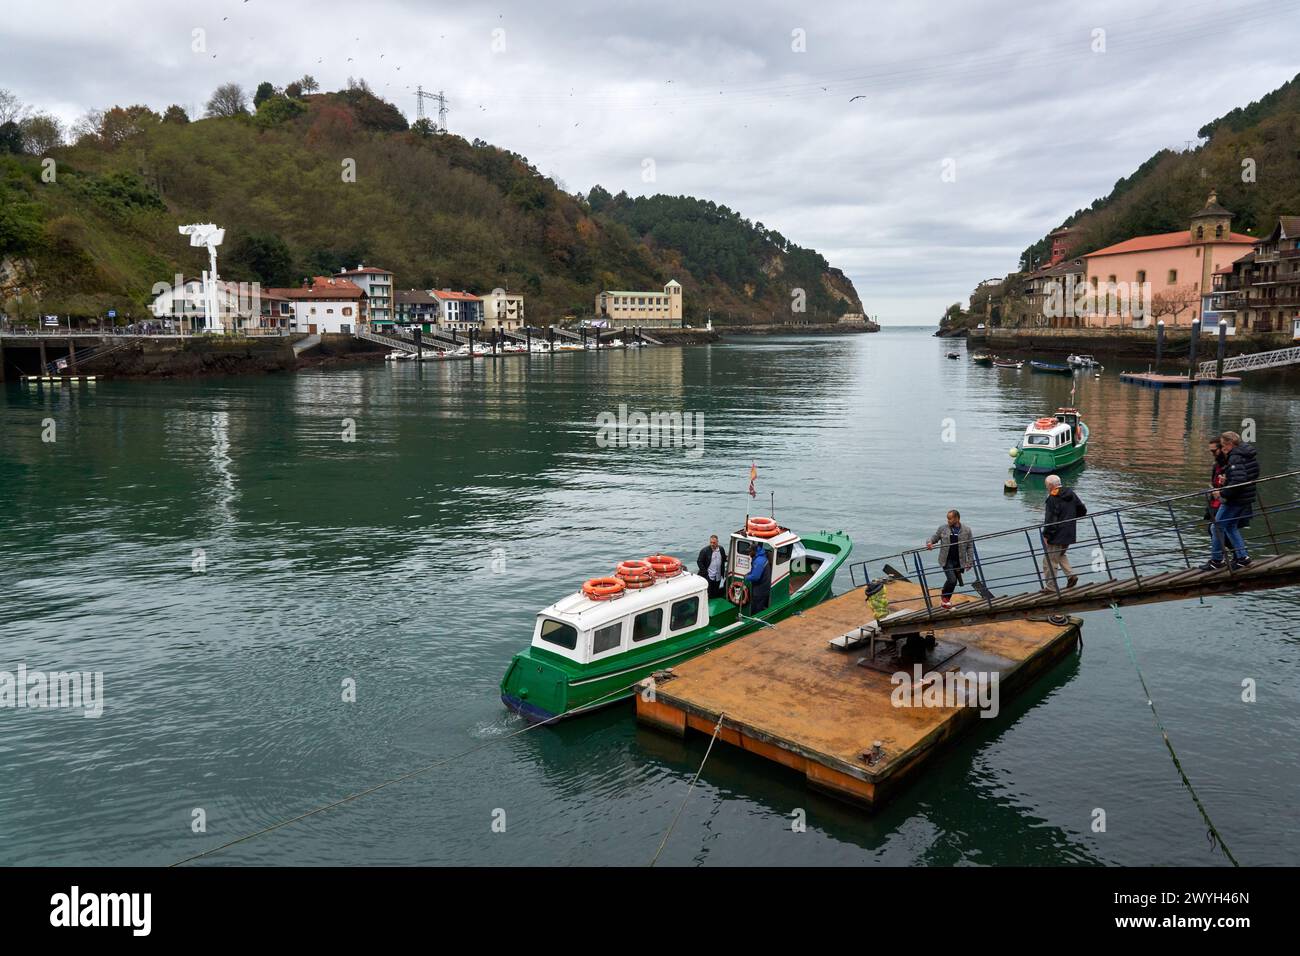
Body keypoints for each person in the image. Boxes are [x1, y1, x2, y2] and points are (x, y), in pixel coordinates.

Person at [1203, 430, 1258, 570]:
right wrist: (1228, 478)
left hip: (1235, 499)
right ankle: (1242, 557)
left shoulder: (1235, 457)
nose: (1223, 449)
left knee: (1216, 527)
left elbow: (1239, 480)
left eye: (1223, 445)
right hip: (1245, 496)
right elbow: (1252, 473)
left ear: (1229, 444)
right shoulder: (1246, 453)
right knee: (1230, 526)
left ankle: (1216, 560)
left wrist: (1222, 493)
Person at [1041, 475, 1086, 591]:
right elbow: (1082, 510)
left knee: (1049, 560)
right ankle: (1071, 575)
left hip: (1057, 534)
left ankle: (1051, 587)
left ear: (1051, 486)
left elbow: (1051, 519)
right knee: (1060, 554)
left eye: (1047, 486)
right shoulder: (1071, 493)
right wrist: (1070, 519)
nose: (1047, 488)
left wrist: (1046, 535)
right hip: (1069, 532)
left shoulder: (1053, 498)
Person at [925, 509, 973, 610]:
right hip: (946, 560)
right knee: (952, 580)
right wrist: (929, 542)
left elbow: (970, 546)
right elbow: (935, 537)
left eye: (950, 519)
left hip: (959, 560)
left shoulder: (967, 530)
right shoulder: (943, 528)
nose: (948, 521)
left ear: (957, 518)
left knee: (954, 582)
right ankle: (944, 597)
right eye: (947, 519)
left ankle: (945, 602)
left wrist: (970, 561)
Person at [1203, 437, 1228, 533]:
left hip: (1223, 501)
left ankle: (1238, 548)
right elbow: (1214, 484)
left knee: (1215, 529)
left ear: (1222, 449)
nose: (1213, 454)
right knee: (1213, 530)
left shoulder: (1229, 464)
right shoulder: (1216, 465)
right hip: (1215, 502)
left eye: (1214, 451)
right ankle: (1230, 548)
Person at [696, 534, 726, 599]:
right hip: (709, 576)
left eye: (714, 543)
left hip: (718, 575)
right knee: (708, 593)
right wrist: (705, 573)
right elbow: (699, 562)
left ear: (717, 542)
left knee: (716, 592)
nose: (712, 544)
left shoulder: (721, 549)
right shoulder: (704, 551)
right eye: (711, 542)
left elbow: (724, 558)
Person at [744, 543, 770, 614]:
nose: (749, 553)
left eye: (750, 552)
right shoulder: (761, 557)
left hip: (760, 589)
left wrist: (746, 577)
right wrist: (750, 574)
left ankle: (756, 620)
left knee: (756, 608)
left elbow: (755, 577)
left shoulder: (759, 561)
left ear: (754, 551)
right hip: (762, 587)